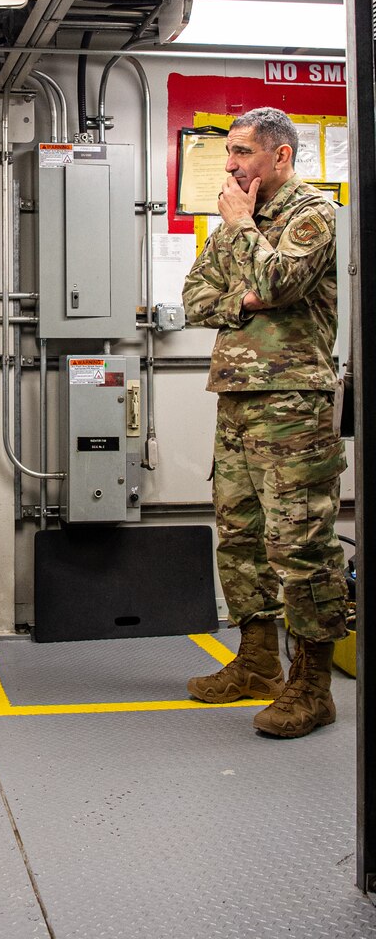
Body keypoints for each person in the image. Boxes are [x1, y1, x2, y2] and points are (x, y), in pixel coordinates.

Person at [182, 107, 348, 738]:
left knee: (301, 545)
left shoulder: (312, 213)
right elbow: (195, 298)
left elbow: (278, 283)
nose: (231, 164)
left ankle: (311, 685)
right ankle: (256, 663)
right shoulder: (234, 217)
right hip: (237, 397)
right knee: (240, 536)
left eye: (244, 152)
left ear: (280, 156)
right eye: (229, 152)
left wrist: (244, 232)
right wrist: (241, 298)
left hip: (293, 403)